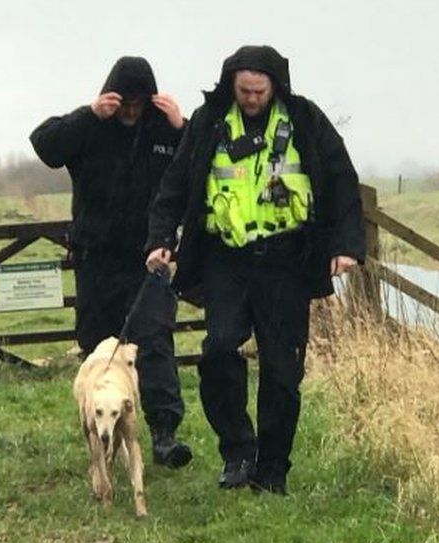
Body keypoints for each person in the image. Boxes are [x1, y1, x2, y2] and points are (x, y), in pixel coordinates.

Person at [144, 45, 365, 494]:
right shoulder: (209, 123)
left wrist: (346, 245)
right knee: (219, 350)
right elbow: (176, 184)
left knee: (283, 371)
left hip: (286, 262)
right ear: (232, 84)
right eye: (243, 89)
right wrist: (161, 239)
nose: (250, 97)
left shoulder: (304, 119)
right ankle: (237, 451)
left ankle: (272, 470)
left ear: (275, 87)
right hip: (227, 259)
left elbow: (341, 179)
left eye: (258, 90)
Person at [30, 56, 192, 468]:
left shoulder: (166, 133)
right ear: (113, 97)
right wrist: (88, 114)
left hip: (149, 260)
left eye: (140, 103)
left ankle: (163, 434)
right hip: (96, 261)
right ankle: (100, 435)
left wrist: (182, 126)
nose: (132, 111)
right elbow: (44, 144)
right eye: (126, 103)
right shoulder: (90, 128)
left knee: (154, 343)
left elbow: (201, 164)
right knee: (99, 349)